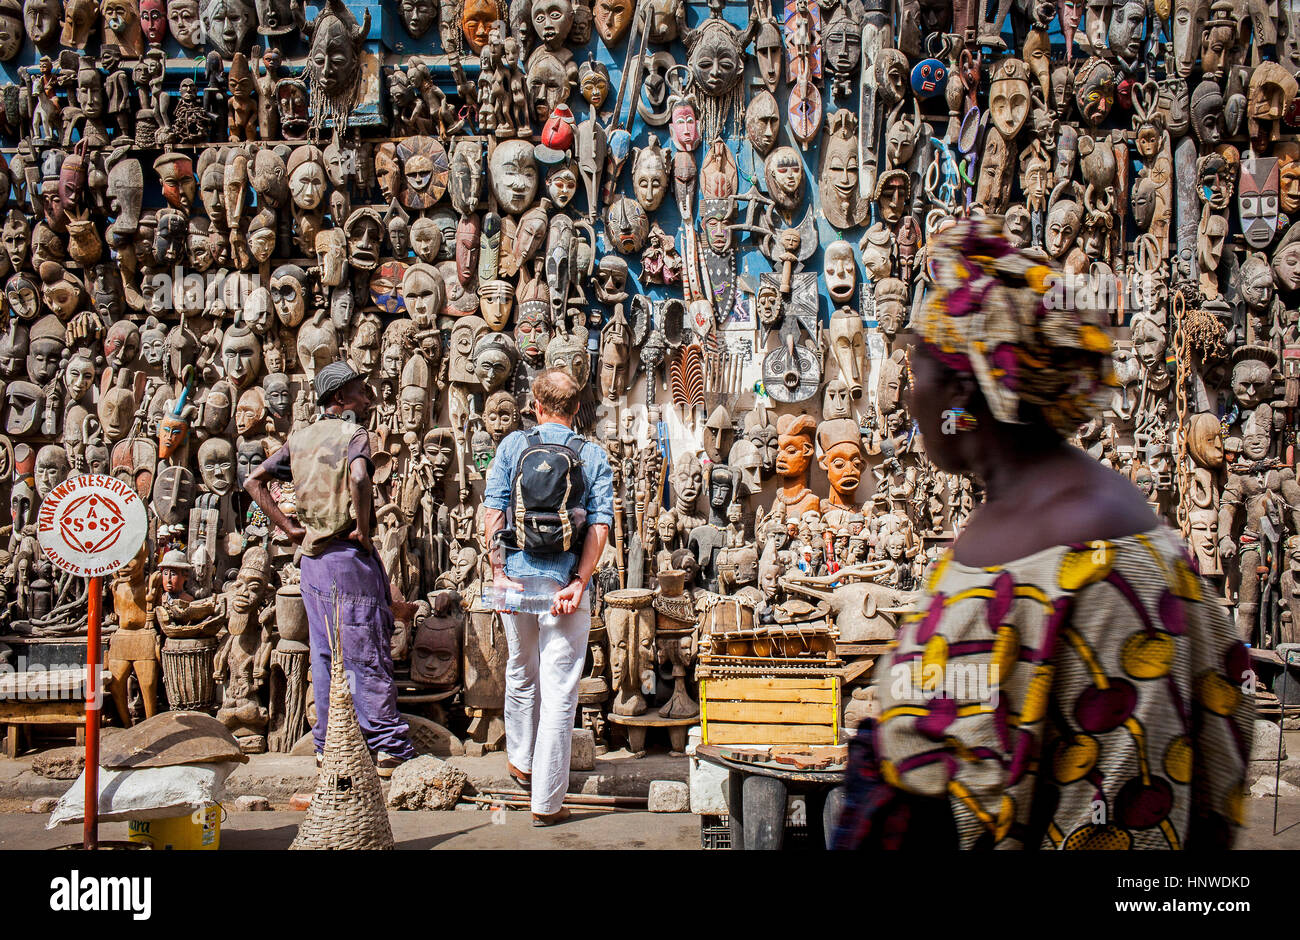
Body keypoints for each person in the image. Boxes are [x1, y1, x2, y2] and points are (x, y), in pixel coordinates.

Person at [832, 218, 1253, 850]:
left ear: (961, 392)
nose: (911, 396)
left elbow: (945, 798)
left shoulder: (1026, 554)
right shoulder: (1116, 514)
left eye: (918, 368)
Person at [244, 361, 416, 777]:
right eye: (361, 390)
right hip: (348, 561)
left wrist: (288, 528)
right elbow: (360, 474)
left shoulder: (300, 438)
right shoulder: (354, 434)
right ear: (339, 399)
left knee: (325, 655)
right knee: (364, 650)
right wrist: (361, 526)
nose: (369, 397)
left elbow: (253, 480)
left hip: (313, 565)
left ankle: (330, 745)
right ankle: (387, 746)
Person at [483, 369, 613, 826]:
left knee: (521, 669)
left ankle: (520, 759)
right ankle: (546, 804)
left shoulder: (513, 446)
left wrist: (499, 573)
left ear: (535, 406)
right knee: (560, 690)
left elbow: (494, 509)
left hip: (516, 580)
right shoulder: (591, 454)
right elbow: (599, 525)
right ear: (577, 409)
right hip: (563, 586)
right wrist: (579, 581)